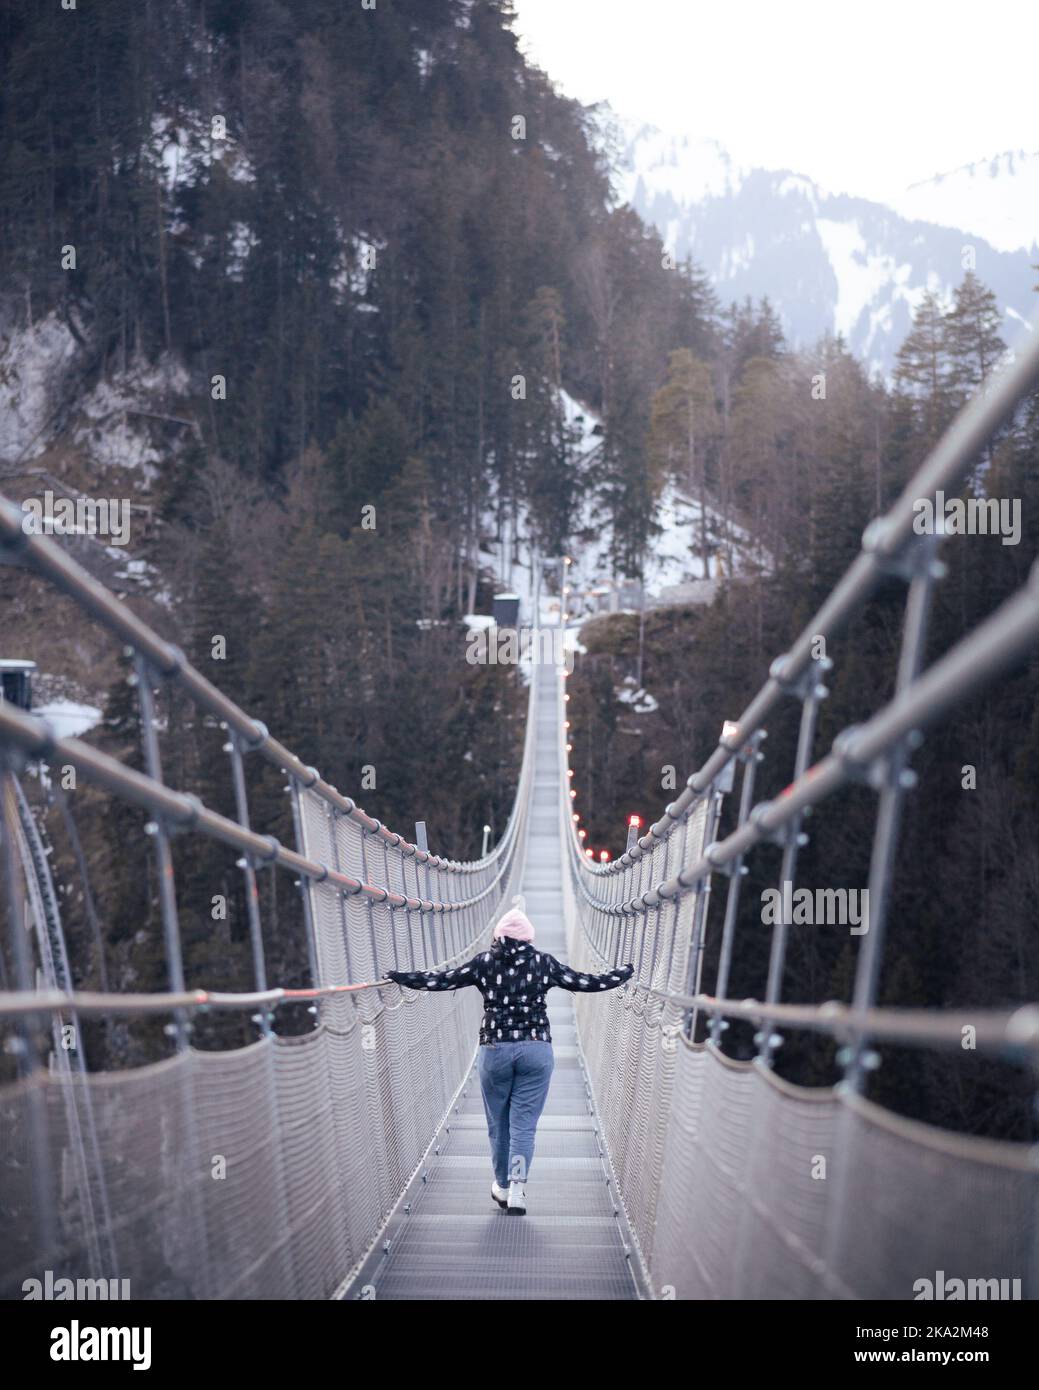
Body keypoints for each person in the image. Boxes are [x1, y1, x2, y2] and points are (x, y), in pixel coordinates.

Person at [383, 895, 634, 1216]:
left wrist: (402, 977)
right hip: (535, 1050)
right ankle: (517, 1188)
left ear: (498, 937)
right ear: (529, 938)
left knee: (498, 1123)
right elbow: (586, 982)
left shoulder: (483, 963)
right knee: (524, 1125)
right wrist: (622, 974)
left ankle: (500, 1185)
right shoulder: (544, 963)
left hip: (495, 1051)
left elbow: (440, 981)